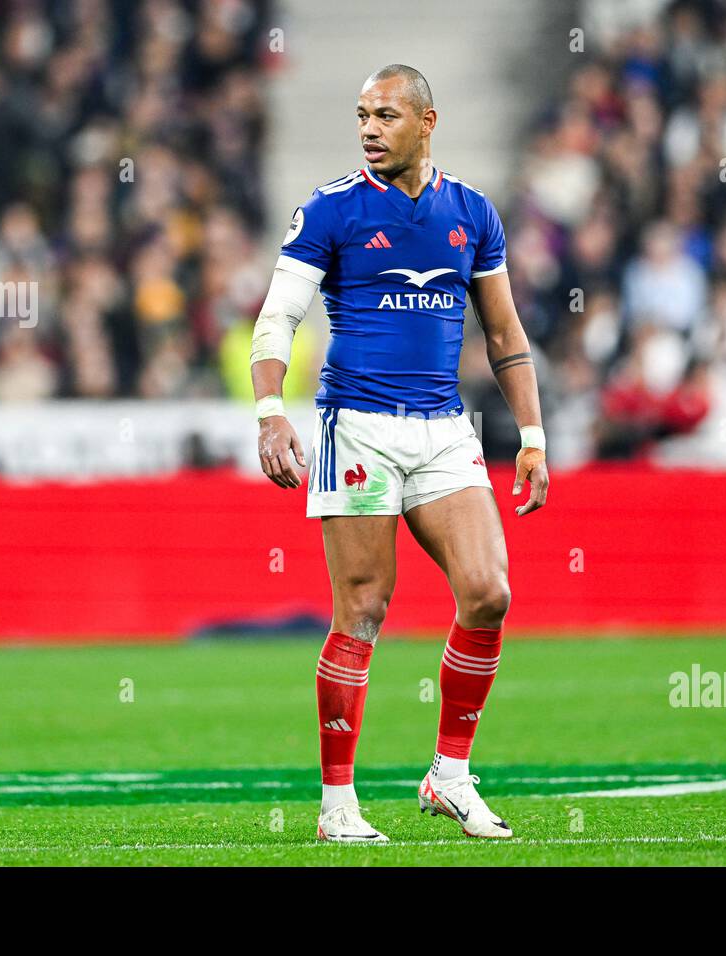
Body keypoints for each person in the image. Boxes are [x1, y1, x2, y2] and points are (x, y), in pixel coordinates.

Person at [249, 65, 549, 841]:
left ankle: (449, 776)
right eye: (360, 115)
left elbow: (506, 336)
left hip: (444, 428)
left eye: (384, 115)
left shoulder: (471, 213)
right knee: (364, 609)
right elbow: (277, 317)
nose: (369, 129)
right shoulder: (330, 208)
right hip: (357, 427)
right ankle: (337, 805)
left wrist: (533, 437)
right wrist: (270, 413)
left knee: (489, 592)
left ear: (427, 122)